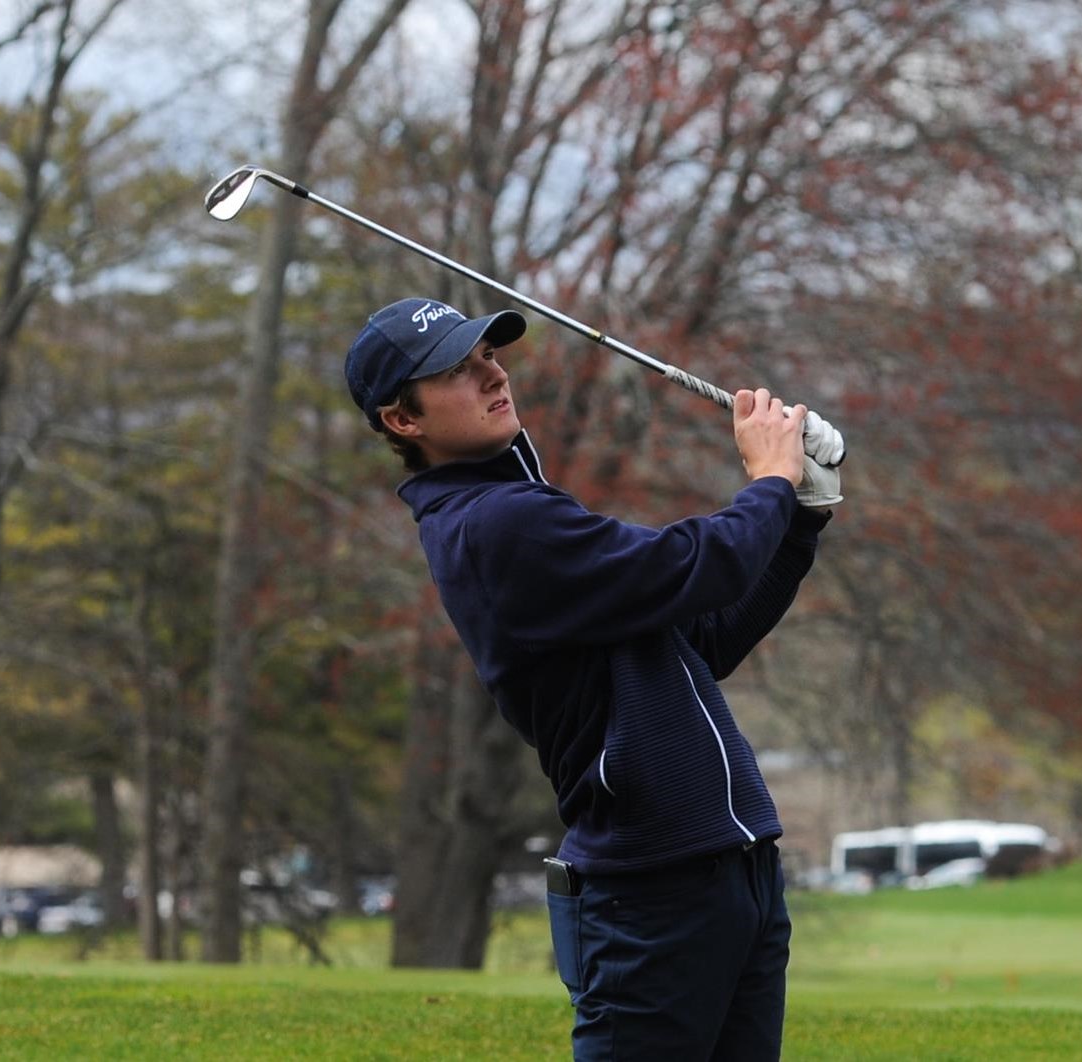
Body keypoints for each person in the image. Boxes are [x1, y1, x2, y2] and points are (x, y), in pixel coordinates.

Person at [344, 296, 844, 1060]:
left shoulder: (519, 509)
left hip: (729, 874)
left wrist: (800, 517)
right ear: (402, 420)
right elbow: (697, 566)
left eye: (487, 355)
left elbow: (700, 640)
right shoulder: (493, 526)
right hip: (650, 889)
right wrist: (770, 479)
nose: (490, 373)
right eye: (455, 369)